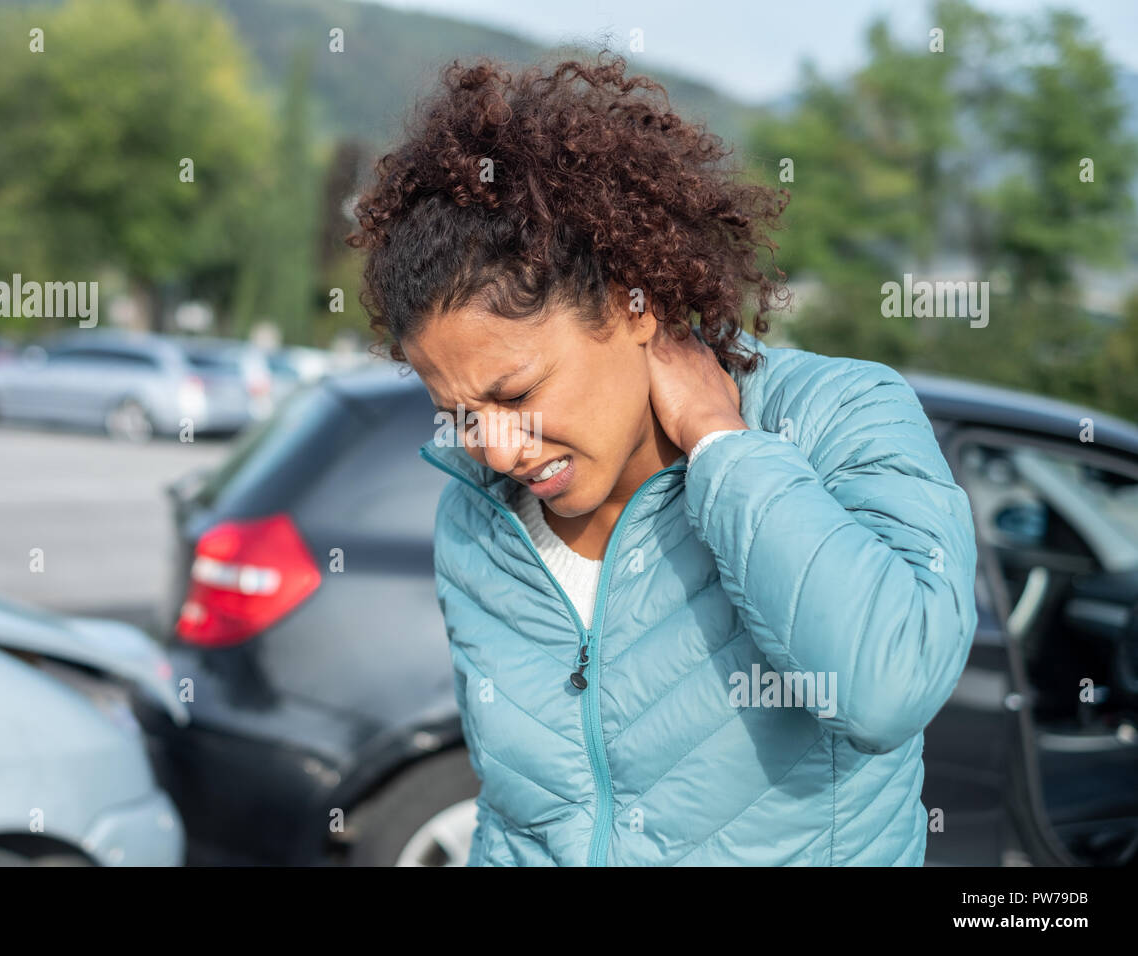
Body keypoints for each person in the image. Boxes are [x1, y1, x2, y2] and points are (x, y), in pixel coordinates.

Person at [345, 51, 979, 865]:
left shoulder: (834, 414)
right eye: (458, 415)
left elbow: (889, 685)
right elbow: (515, 816)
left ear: (635, 300)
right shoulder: (475, 517)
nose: (494, 447)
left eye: (514, 394)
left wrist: (724, 447)